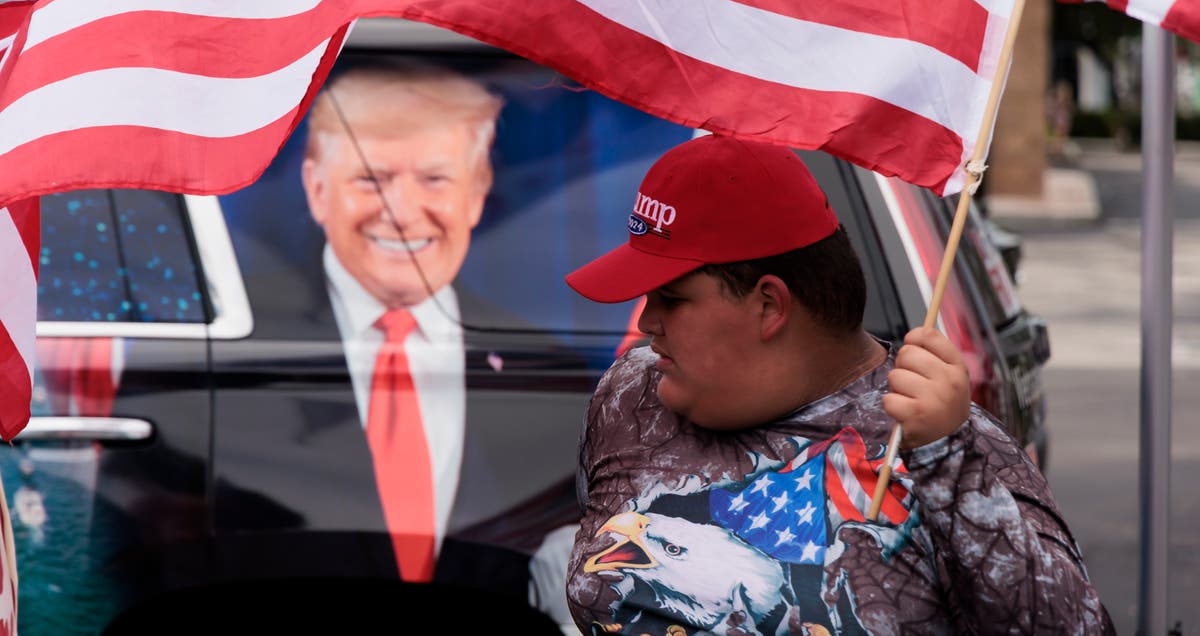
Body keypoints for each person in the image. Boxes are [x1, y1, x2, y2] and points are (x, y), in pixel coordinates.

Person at [562, 134, 1115, 635]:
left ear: (769, 305)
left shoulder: (940, 444)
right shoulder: (631, 395)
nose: (645, 320)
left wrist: (952, 468)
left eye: (672, 298)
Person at [301, 62, 505, 584]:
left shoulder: (540, 359)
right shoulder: (228, 342)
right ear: (317, 190)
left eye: (435, 179)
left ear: (477, 194)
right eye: (372, 179)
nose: (402, 210)